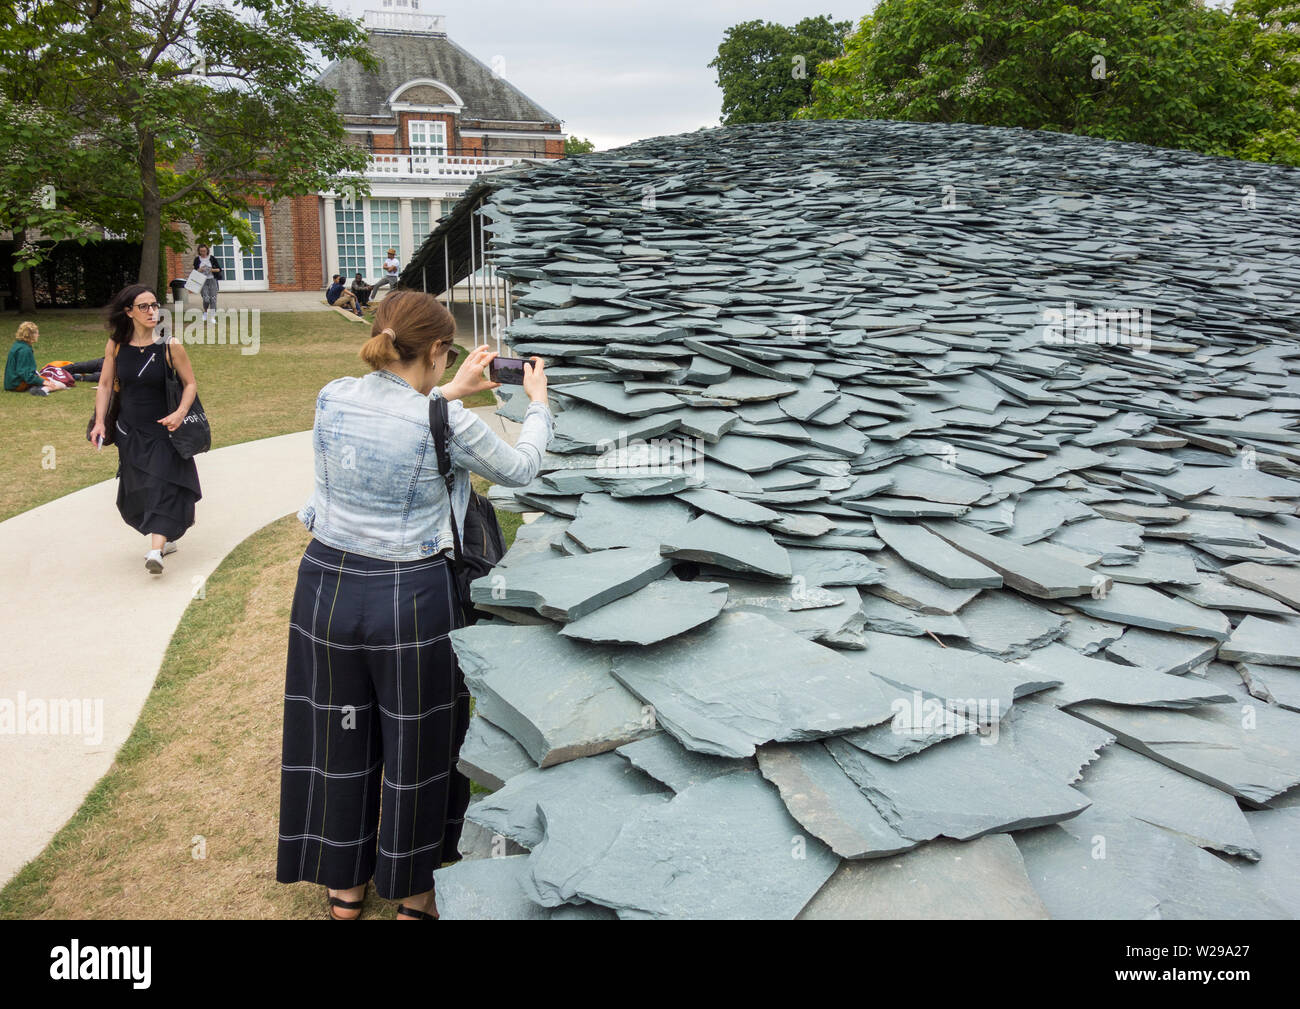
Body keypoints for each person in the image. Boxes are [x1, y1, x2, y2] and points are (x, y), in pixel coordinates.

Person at [276, 290, 552, 920]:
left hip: (323, 586)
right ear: (434, 349)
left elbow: (403, 416)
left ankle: (343, 885)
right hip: (408, 594)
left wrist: (451, 388)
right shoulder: (443, 421)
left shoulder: (332, 394)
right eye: (445, 356)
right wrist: (536, 405)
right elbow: (520, 469)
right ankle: (415, 892)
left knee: (336, 731)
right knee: (418, 743)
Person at [88, 284, 202, 575]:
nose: (152, 311)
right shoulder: (115, 345)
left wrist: (179, 413)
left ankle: (156, 550)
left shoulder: (170, 345)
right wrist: (100, 421)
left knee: (163, 485)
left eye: (154, 305)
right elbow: (104, 385)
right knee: (139, 490)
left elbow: (190, 384)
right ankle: (164, 537)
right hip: (129, 431)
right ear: (129, 312)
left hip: (165, 430)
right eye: (144, 307)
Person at [5, 322, 63, 395]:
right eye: (36, 333)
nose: (38, 335)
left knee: (46, 379)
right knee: (54, 383)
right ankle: (42, 390)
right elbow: (25, 373)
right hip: (16, 384)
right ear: (30, 335)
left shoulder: (18, 345)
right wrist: (43, 381)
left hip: (11, 382)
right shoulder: (24, 350)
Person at [193, 244, 223, 322]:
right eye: (201, 251)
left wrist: (211, 270)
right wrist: (200, 269)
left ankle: (212, 317)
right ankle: (205, 312)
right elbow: (195, 271)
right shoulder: (197, 259)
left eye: (204, 251)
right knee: (206, 299)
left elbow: (219, 269)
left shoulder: (212, 258)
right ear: (199, 251)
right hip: (202, 281)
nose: (203, 252)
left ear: (207, 251)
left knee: (213, 299)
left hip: (212, 280)